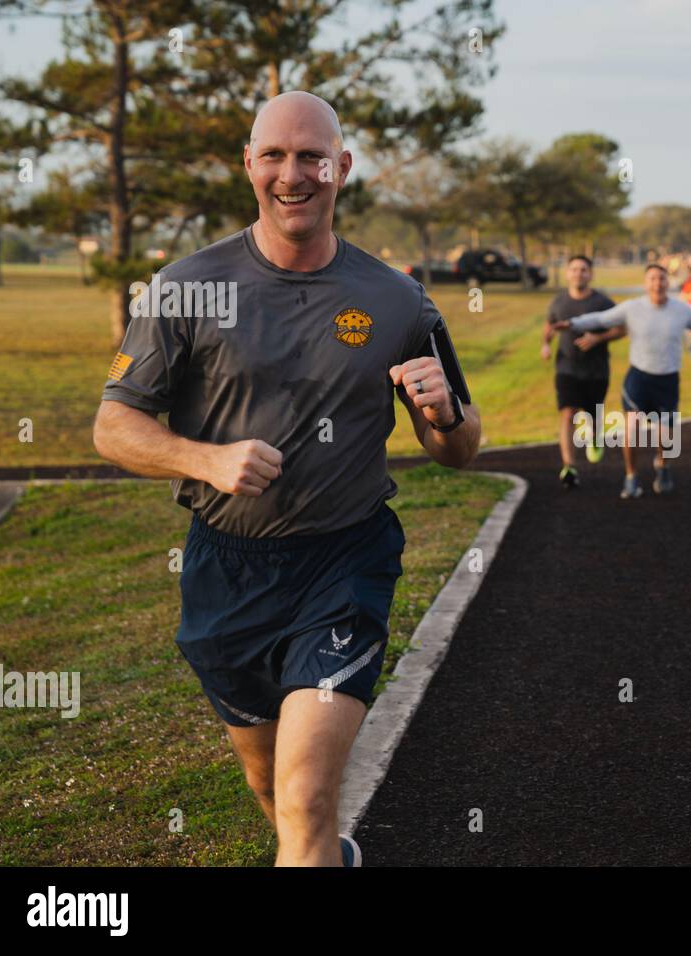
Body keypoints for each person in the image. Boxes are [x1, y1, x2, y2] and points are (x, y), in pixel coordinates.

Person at [92, 91, 481, 867]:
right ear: (249, 164)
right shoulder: (184, 288)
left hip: (345, 562)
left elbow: (461, 447)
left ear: (342, 167)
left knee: (303, 799)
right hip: (224, 571)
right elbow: (114, 426)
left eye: (311, 157)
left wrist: (442, 416)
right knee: (274, 789)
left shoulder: (398, 301)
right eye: (274, 155)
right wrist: (203, 458)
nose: (292, 174)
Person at [552, 263, 691, 498]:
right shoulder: (632, 308)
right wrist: (571, 324)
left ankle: (662, 466)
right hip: (638, 379)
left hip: (667, 381)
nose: (657, 283)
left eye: (661, 279)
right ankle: (631, 477)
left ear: (667, 283)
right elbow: (601, 319)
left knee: (664, 437)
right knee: (631, 431)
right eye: (652, 279)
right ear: (645, 283)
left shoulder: (681, 310)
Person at [541, 255, 623, 488]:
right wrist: (545, 344)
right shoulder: (559, 302)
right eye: (574, 269)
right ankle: (569, 467)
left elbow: (621, 328)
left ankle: (595, 437)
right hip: (566, 367)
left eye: (583, 270)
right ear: (568, 273)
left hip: (596, 370)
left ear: (590, 274)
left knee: (592, 416)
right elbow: (550, 327)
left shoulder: (603, 303)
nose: (579, 273)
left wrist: (598, 338)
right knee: (567, 413)